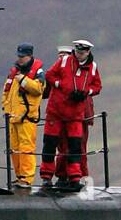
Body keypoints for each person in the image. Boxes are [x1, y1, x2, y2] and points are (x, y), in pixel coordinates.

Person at [38, 39, 102, 192]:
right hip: (56, 111)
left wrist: (86, 92)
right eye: (77, 52)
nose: (79, 55)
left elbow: (97, 86)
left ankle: (74, 177)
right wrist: (61, 85)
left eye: (82, 53)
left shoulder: (92, 67)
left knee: (75, 147)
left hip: (75, 113)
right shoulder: (65, 61)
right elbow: (50, 75)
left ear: (87, 52)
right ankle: (46, 177)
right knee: (50, 144)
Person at [2, 44, 46, 190]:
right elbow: (6, 92)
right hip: (13, 117)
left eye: (22, 57)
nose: (20, 59)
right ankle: (19, 176)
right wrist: (6, 108)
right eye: (19, 56)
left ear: (29, 56)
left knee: (26, 148)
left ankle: (27, 178)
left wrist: (22, 80)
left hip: (27, 117)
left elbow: (38, 89)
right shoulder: (14, 72)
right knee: (14, 149)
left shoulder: (37, 72)